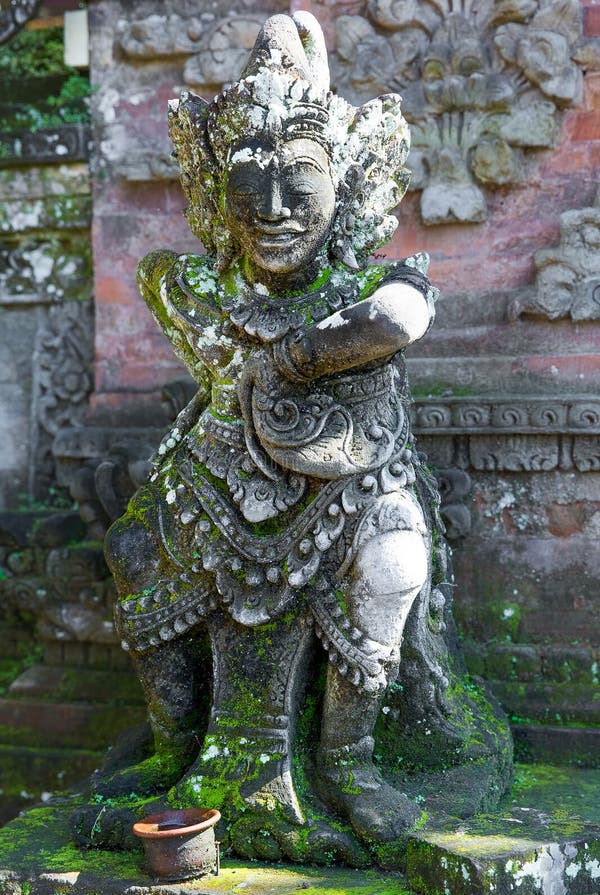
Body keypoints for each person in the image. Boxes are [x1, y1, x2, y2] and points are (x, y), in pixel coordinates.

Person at [102, 12, 443, 844]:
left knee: (394, 561)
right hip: (215, 481)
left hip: (350, 489)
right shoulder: (193, 287)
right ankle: (177, 750)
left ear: (351, 183)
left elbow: (398, 318)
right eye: (249, 180)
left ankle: (347, 760)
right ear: (216, 190)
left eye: (302, 178)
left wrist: (296, 356)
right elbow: (162, 283)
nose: (277, 208)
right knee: (133, 549)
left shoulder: (374, 283)